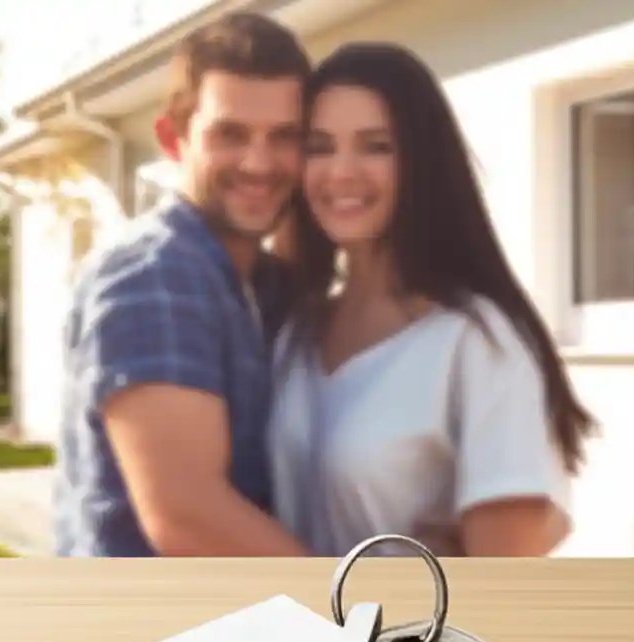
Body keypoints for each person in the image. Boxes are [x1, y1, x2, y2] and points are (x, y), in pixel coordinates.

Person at [268, 41, 598, 557]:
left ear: (421, 162)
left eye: (376, 146)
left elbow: (502, 586)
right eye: (319, 146)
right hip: (292, 635)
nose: (341, 171)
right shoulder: (298, 331)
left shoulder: (478, 343)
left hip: (404, 638)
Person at [55, 12, 313, 557]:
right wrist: (362, 615)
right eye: (230, 134)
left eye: (284, 136)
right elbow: (188, 516)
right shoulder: (154, 274)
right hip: (144, 631)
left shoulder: (263, 284)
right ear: (174, 140)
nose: (259, 163)